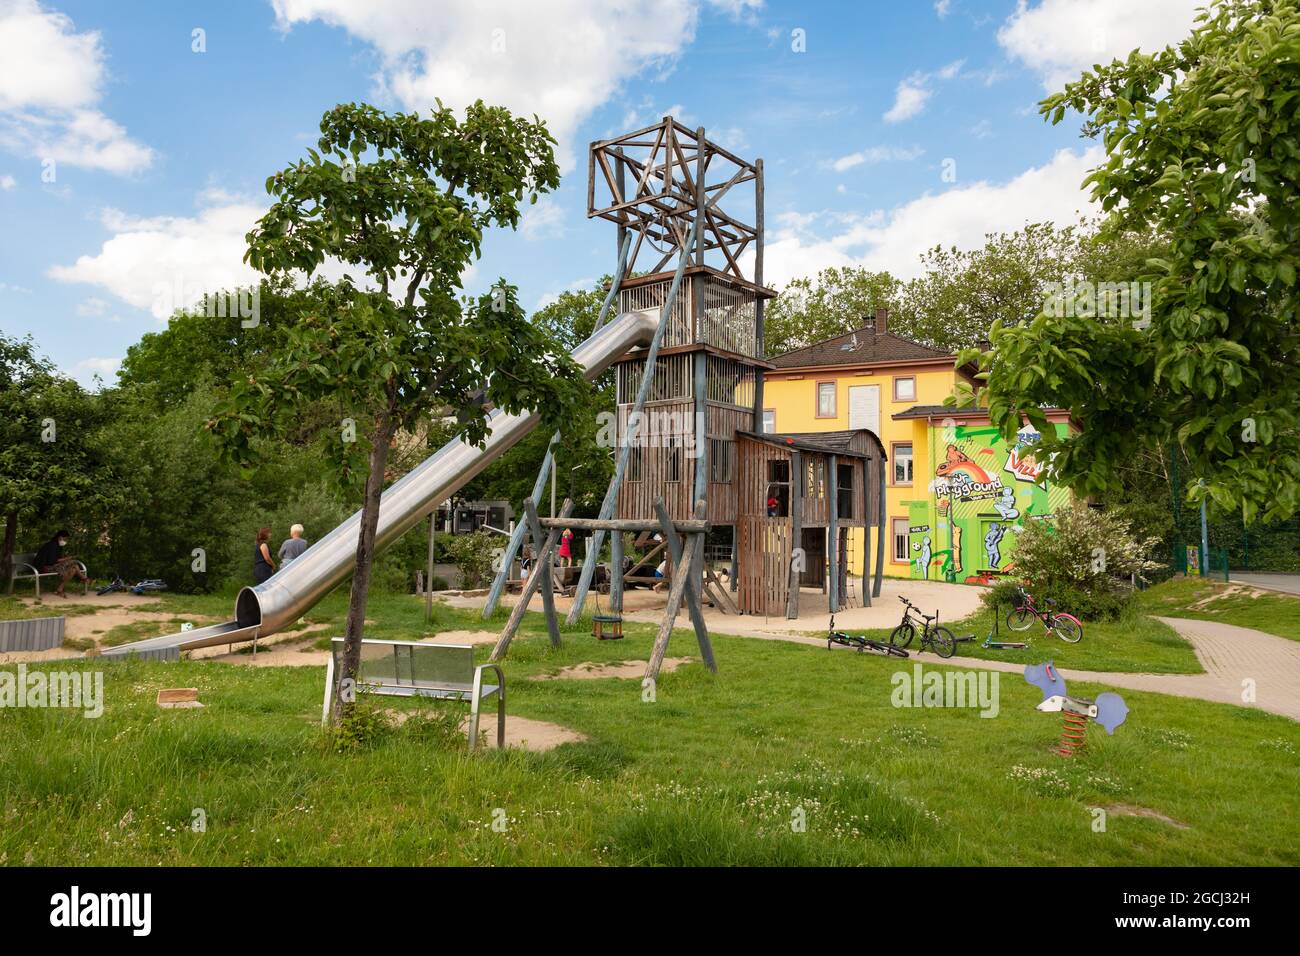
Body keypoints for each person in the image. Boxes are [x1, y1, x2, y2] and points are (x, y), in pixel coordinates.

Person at [34, 529, 88, 597]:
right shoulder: (52, 545)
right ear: (60, 537)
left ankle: (60, 589)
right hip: (44, 567)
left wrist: (66, 559)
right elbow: (52, 561)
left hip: (51, 565)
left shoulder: (57, 545)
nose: (66, 541)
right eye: (65, 539)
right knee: (73, 564)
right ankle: (84, 578)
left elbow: (56, 560)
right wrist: (66, 559)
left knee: (73, 568)